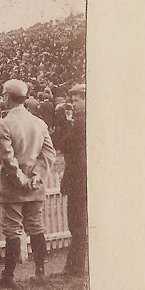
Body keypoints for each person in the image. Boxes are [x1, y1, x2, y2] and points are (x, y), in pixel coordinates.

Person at [0, 79, 58, 288]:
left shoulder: (5, 122)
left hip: (14, 186)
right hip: (35, 185)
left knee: (12, 230)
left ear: (7, 98)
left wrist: (21, 180)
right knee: (36, 227)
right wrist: (37, 177)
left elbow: (7, 157)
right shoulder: (39, 123)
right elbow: (49, 153)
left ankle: (8, 277)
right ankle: (40, 272)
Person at [60, 83, 87, 277]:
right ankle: (75, 264)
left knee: (77, 223)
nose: (73, 104)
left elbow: (66, 145)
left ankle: (75, 266)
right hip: (81, 178)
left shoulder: (79, 122)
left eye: (77, 100)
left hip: (78, 179)